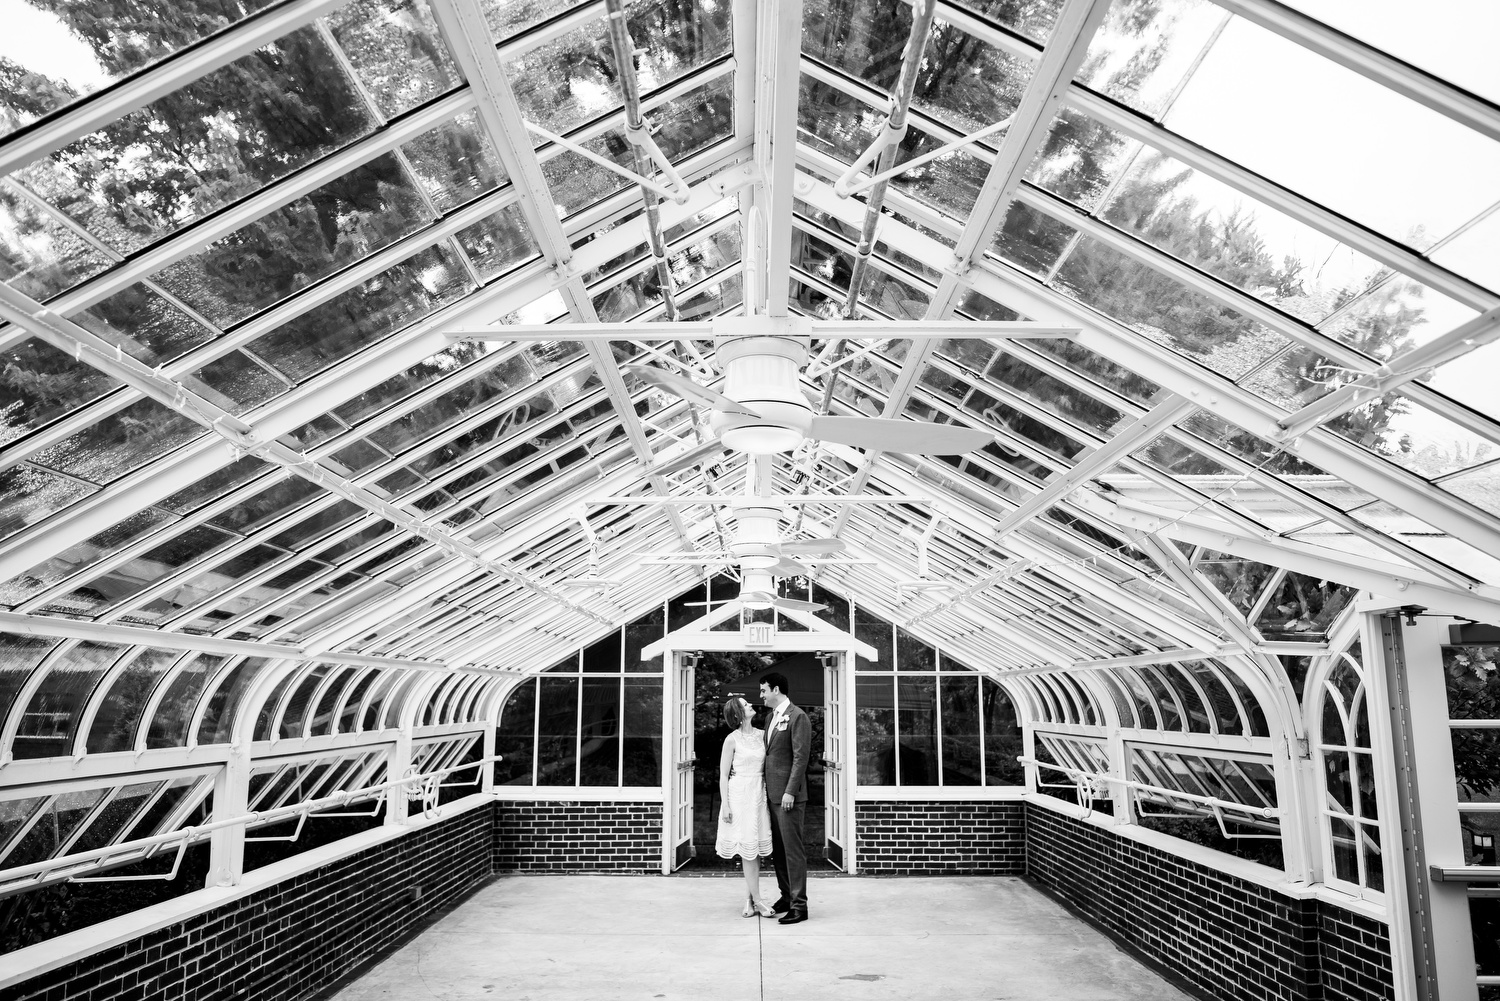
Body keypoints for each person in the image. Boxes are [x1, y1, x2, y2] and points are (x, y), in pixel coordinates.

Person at [715, 696, 776, 918]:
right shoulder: (731, 740)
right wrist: (726, 805)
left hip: (758, 794)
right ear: (738, 714)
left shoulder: (762, 735)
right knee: (748, 851)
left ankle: (749, 899)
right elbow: (723, 775)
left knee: (754, 849)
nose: (751, 705)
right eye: (745, 705)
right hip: (739, 795)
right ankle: (759, 901)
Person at [759, 671, 811, 925]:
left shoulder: (798, 717)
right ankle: (787, 897)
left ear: (776, 689)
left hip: (789, 796)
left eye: (764, 690)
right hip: (772, 795)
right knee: (779, 851)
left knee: (793, 851)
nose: (761, 695)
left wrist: (790, 790)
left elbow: (801, 757)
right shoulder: (770, 717)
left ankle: (800, 906)